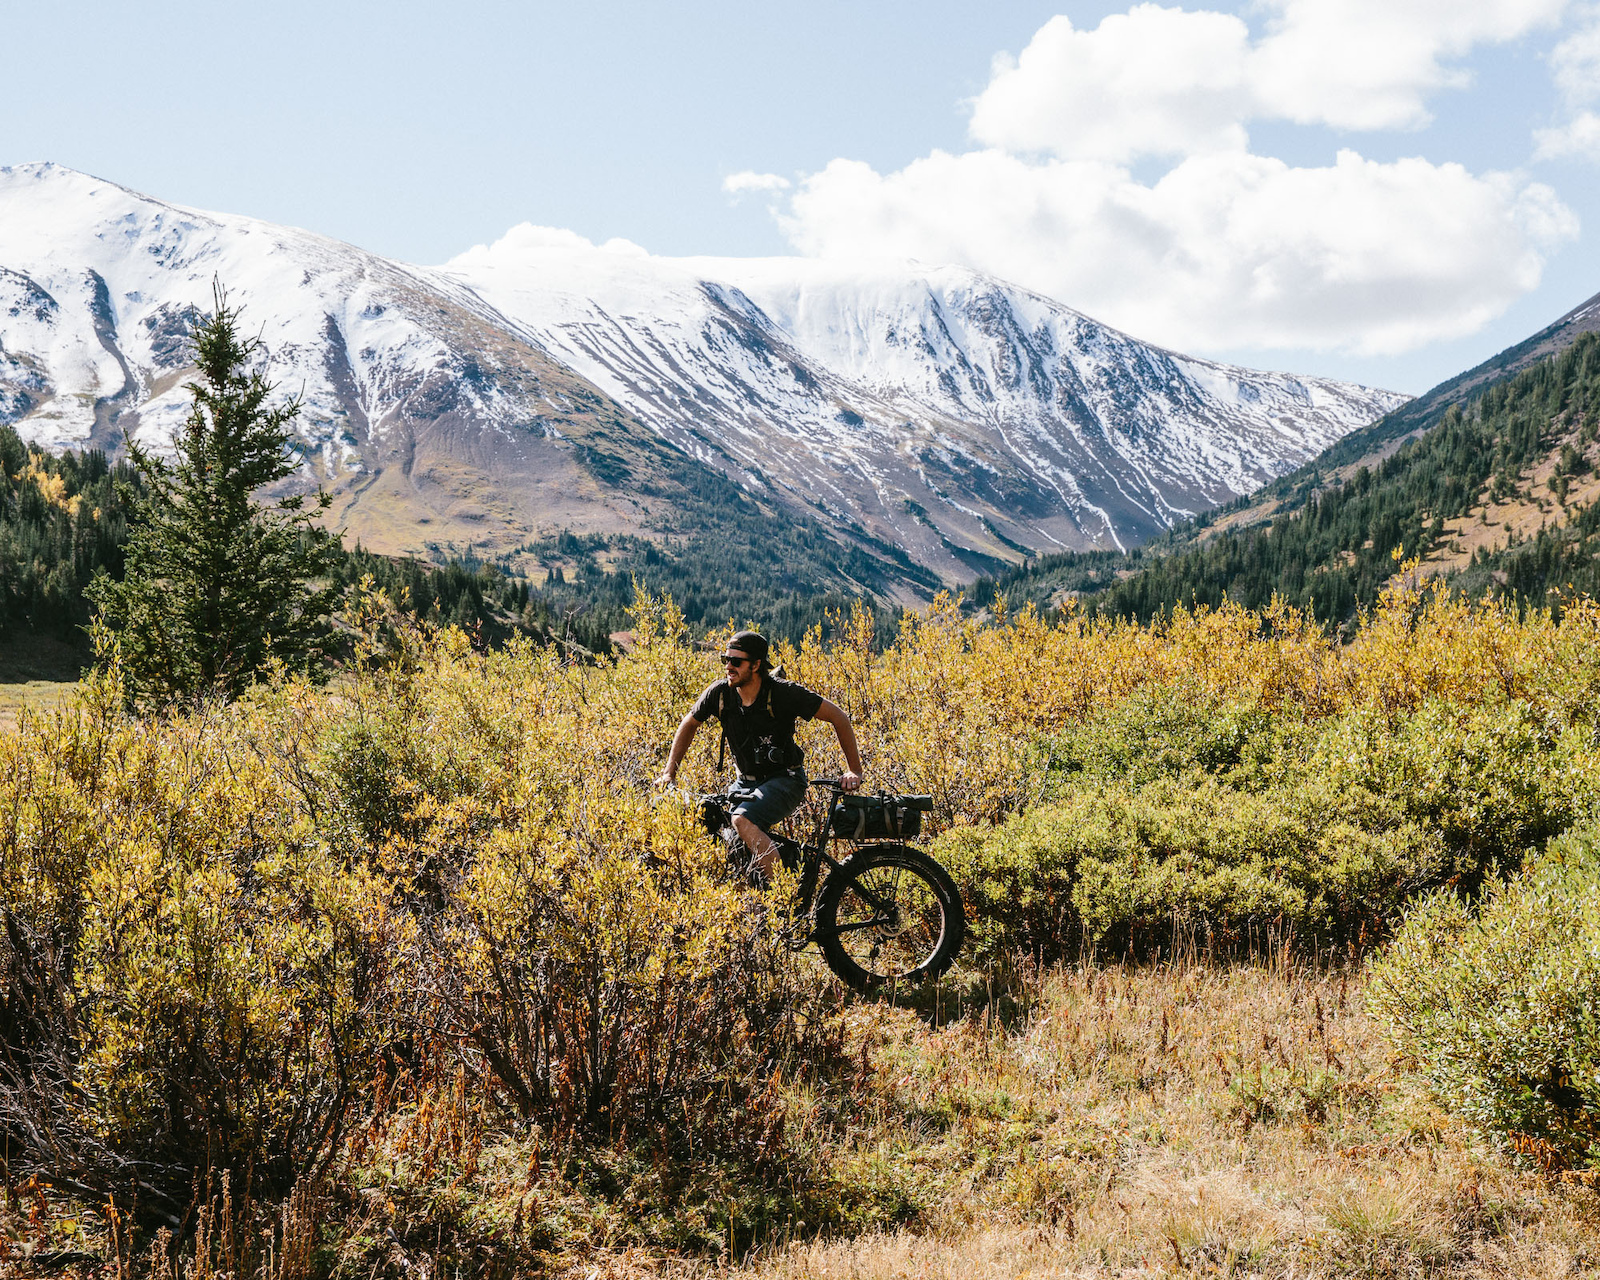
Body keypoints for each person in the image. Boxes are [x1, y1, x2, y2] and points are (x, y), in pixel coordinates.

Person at [656, 630, 862, 879]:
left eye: (736, 661)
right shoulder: (720, 694)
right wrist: (669, 774)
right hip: (745, 782)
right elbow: (688, 724)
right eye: (726, 660)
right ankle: (764, 889)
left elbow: (838, 716)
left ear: (756, 665)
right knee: (717, 827)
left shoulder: (783, 693)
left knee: (743, 820)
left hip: (786, 779)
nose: (729, 667)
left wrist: (854, 770)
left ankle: (783, 902)